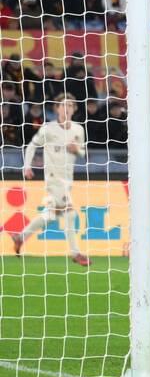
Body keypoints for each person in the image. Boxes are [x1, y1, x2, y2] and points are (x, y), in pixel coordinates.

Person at [13, 96, 89, 266]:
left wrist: (76, 149)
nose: (66, 108)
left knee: (50, 215)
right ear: (57, 108)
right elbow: (32, 145)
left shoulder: (78, 129)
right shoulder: (48, 129)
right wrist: (27, 166)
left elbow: (83, 153)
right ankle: (76, 253)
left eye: (70, 105)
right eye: (63, 105)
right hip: (53, 178)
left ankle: (21, 237)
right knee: (69, 212)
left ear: (75, 109)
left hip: (68, 179)